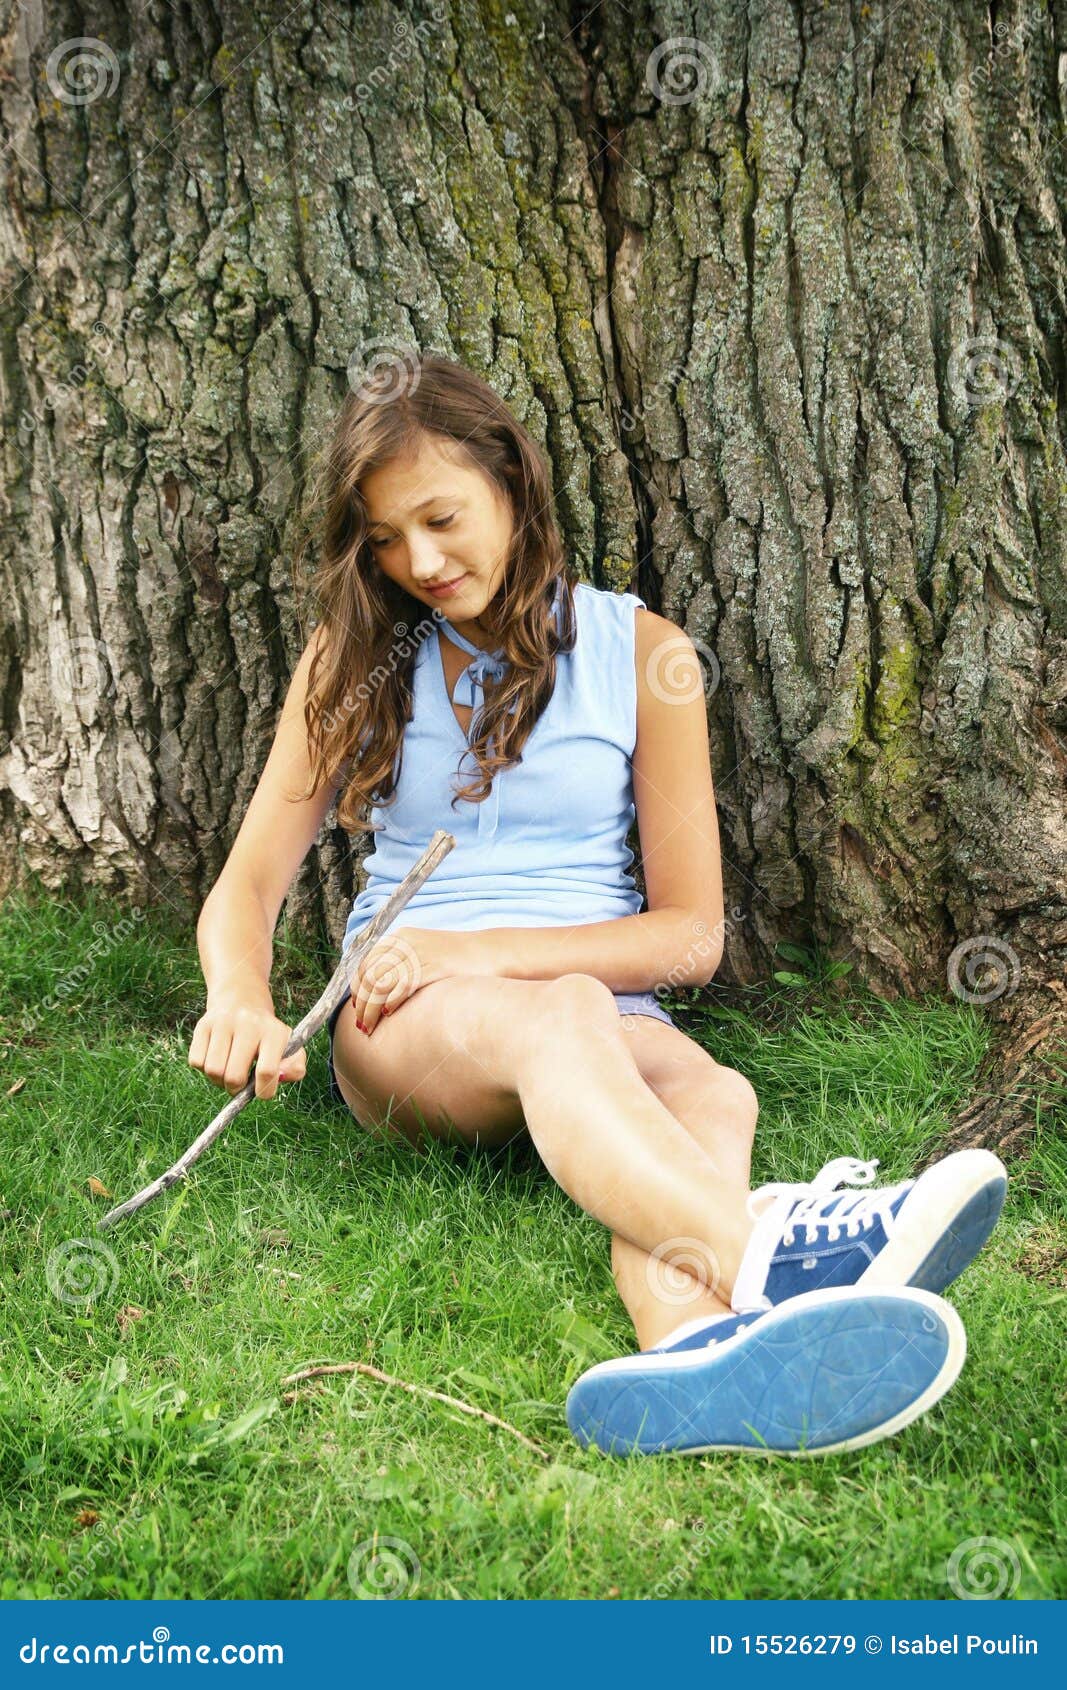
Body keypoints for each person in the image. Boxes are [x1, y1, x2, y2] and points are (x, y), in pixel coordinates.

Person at [189, 352, 1007, 1458]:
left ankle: (692, 1357)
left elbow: (689, 939)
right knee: (564, 1006)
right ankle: (775, 1251)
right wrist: (239, 994)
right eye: (386, 539)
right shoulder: (356, 659)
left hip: (572, 998)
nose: (418, 561)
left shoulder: (643, 655)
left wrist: (475, 952)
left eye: (440, 518)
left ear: (513, 486)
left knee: (711, 1093)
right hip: (405, 1020)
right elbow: (248, 884)